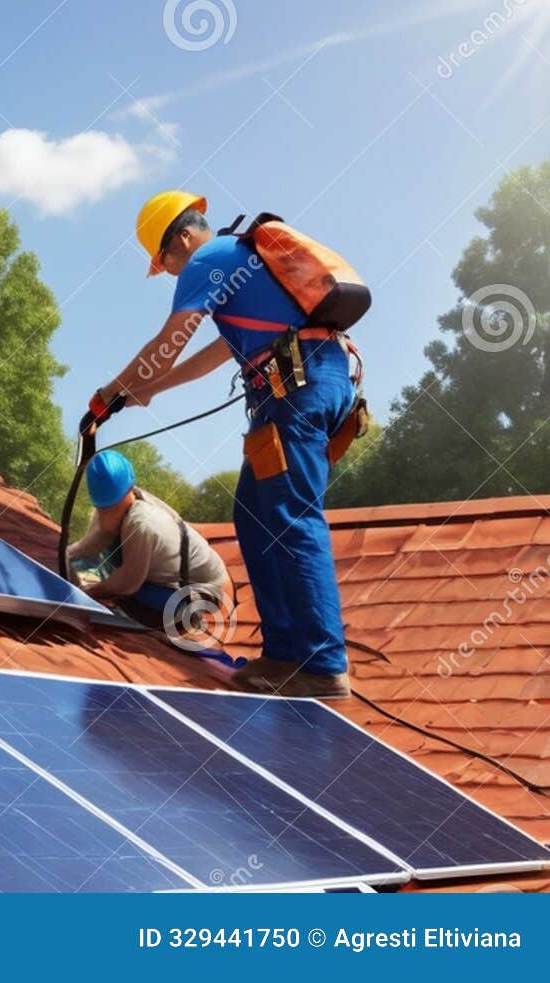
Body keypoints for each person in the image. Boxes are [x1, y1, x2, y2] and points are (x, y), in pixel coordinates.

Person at [91, 191, 361, 699]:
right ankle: (285, 654)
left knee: (290, 516)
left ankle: (324, 663)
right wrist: (146, 389)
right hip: (304, 384)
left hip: (297, 391)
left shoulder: (208, 259)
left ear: (181, 239)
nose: (171, 274)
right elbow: (216, 354)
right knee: (256, 515)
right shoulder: (241, 266)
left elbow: (168, 344)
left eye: (166, 263)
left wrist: (109, 394)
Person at [67, 451, 230, 626]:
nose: (106, 514)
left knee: (127, 589)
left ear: (129, 491)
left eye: (113, 508)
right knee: (103, 559)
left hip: (207, 590)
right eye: (103, 510)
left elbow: (128, 582)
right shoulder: (128, 499)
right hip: (170, 574)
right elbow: (99, 536)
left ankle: (186, 615)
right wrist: (69, 554)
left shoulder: (143, 523)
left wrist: (88, 592)